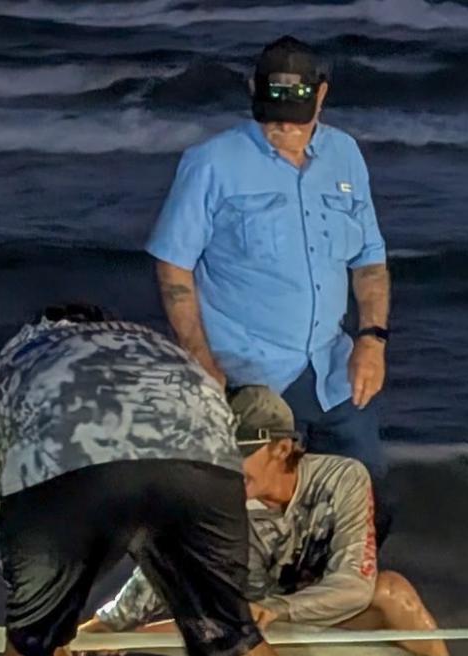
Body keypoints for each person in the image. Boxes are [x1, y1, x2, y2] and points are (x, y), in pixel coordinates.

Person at [0, 306, 308, 656]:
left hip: (72, 467)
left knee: (38, 641)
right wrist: (119, 616)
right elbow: (170, 544)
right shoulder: (161, 352)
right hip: (204, 468)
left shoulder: (25, 356)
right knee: (230, 633)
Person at [146, 35, 394, 533]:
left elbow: (369, 258)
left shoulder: (344, 155)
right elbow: (174, 265)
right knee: (250, 515)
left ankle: (339, 601)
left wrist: (372, 340)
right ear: (251, 91)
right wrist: (201, 359)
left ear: (321, 96)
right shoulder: (211, 163)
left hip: (332, 368)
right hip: (249, 373)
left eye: (298, 115)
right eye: (272, 113)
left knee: (366, 499)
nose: (283, 126)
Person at [81, 387, 449, 656]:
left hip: (314, 617)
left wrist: (277, 608)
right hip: (241, 634)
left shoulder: (342, 478)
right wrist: (108, 624)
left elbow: (355, 584)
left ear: (282, 448)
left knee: (392, 591)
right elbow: (161, 568)